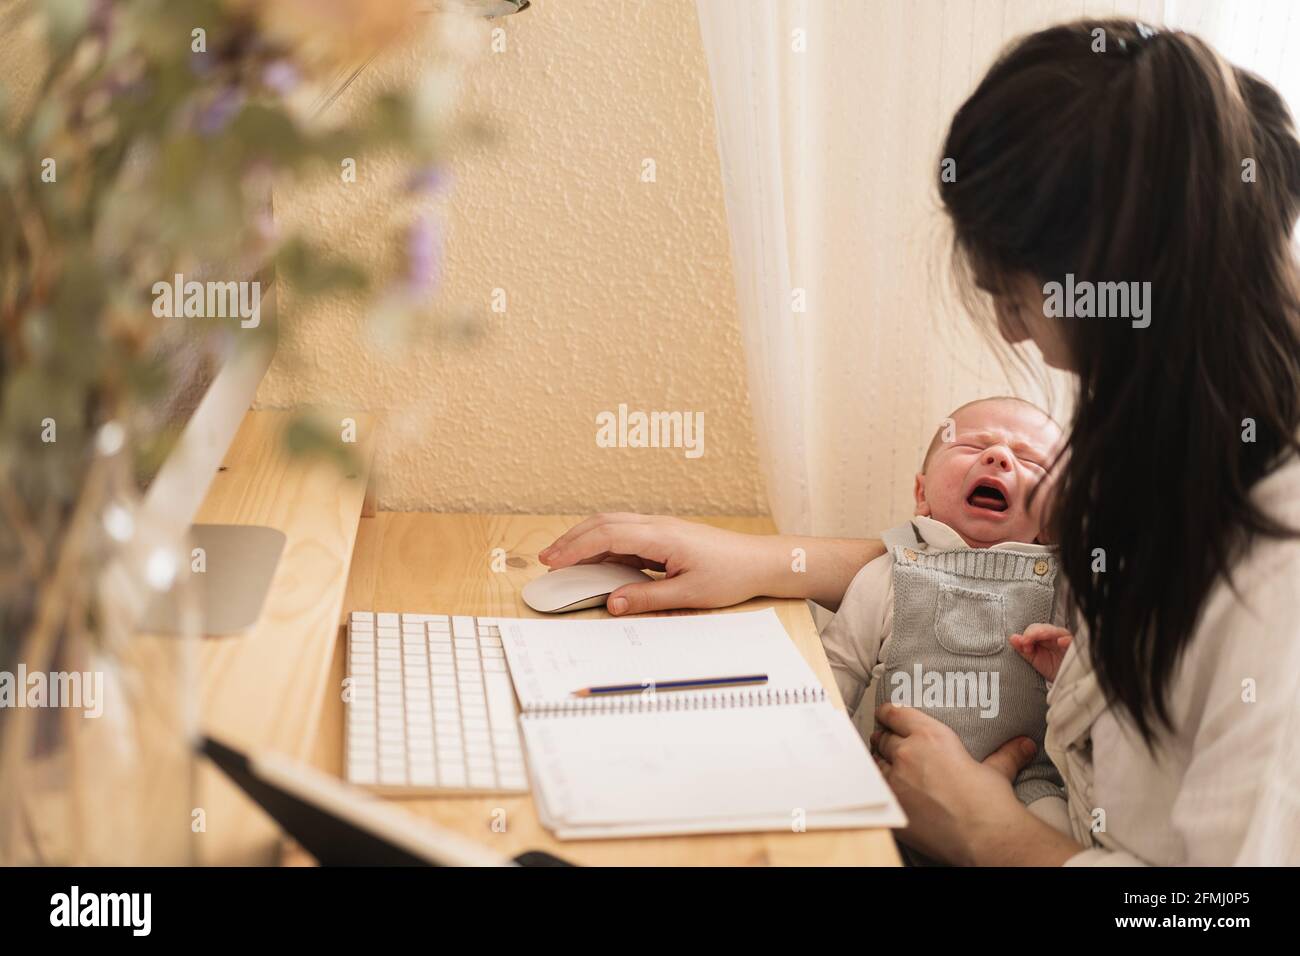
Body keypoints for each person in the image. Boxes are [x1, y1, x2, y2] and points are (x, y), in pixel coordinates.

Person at [539, 19, 1300, 865]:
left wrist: (990, 832)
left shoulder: (1279, 575)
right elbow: (980, 568)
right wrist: (759, 561)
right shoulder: (1181, 433)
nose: (1014, 332)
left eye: (1014, 298)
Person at [820, 396, 1069, 836]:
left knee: (1059, 839)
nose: (998, 456)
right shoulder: (890, 574)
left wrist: (1069, 670)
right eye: (972, 447)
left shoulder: (1066, 595)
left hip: (1028, 786)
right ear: (922, 494)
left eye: (1030, 459)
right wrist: (828, 767)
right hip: (901, 777)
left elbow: (1093, 708)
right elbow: (836, 672)